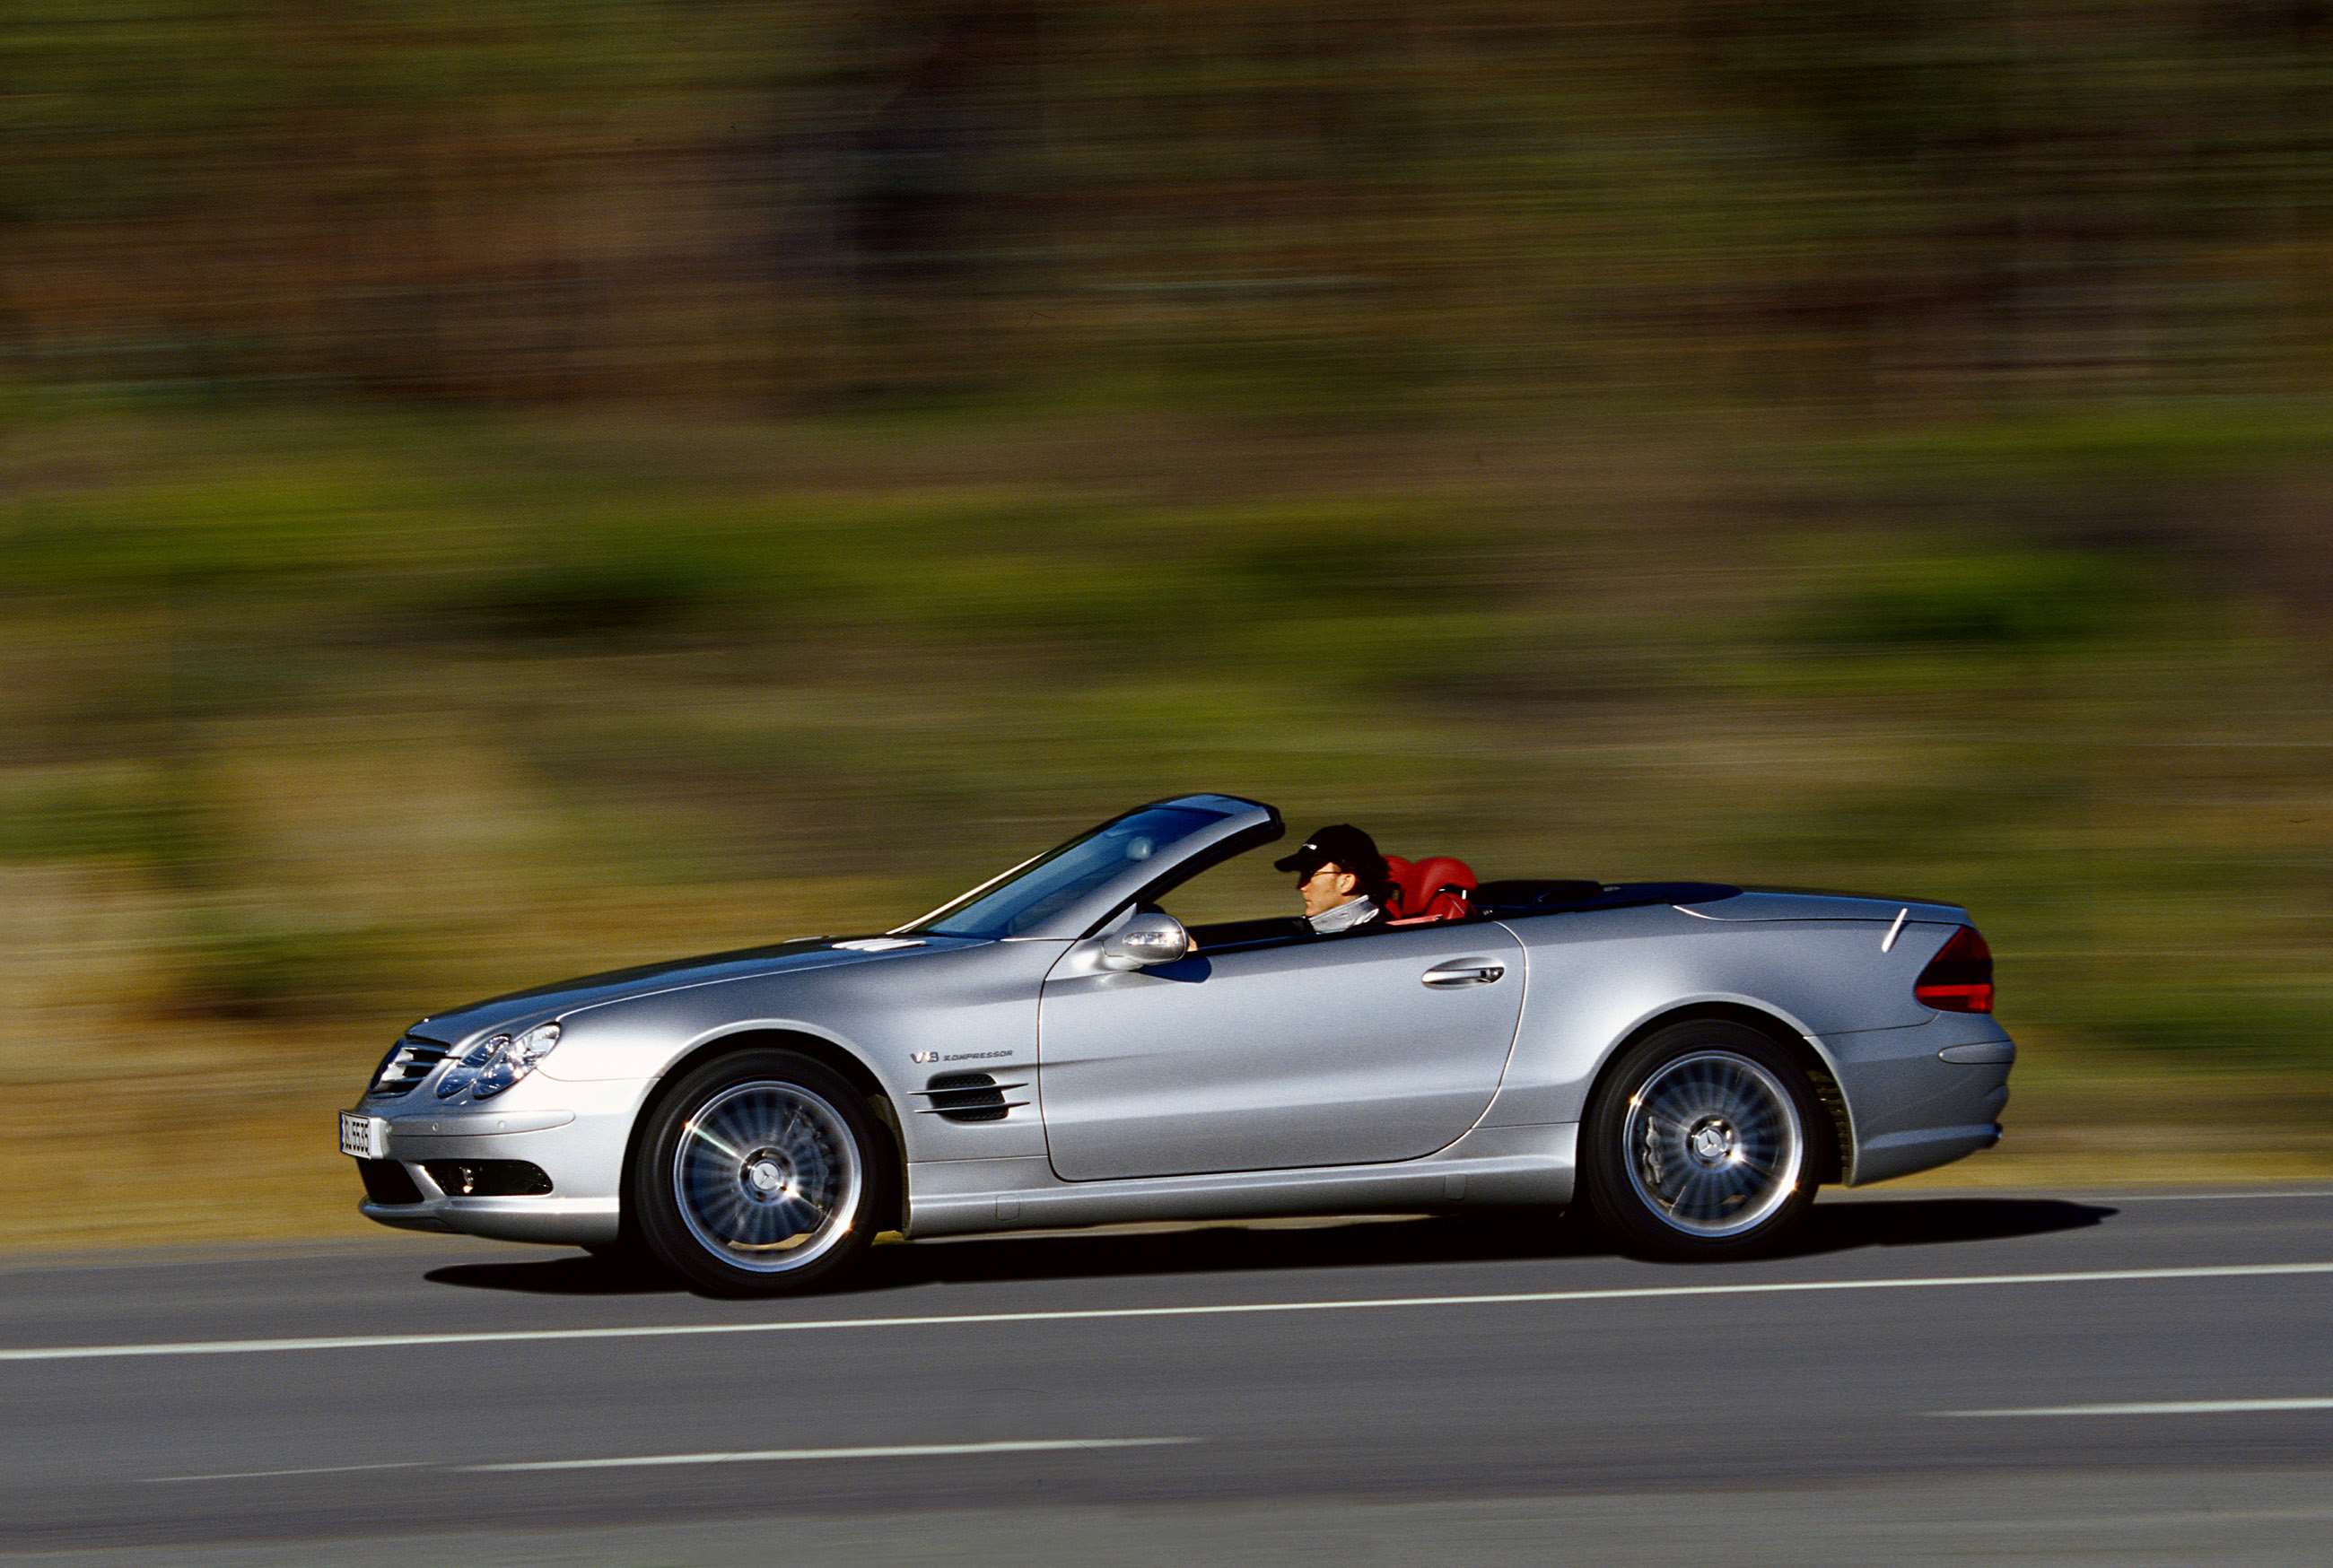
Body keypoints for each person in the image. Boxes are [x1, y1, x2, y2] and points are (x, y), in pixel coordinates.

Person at [1274, 823, 1392, 935]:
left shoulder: (1371, 943)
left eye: (1310, 874)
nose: (1301, 886)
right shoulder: (1307, 932)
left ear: (1346, 882)